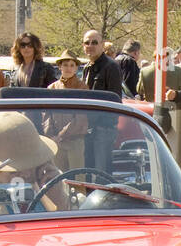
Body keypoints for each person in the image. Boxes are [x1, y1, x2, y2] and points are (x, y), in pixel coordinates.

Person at [81, 29, 124, 170]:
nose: (90, 45)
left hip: (103, 128)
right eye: (87, 43)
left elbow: (115, 99)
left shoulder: (111, 66)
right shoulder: (87, 68)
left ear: (102, 45)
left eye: (94, 42)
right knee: (87, 169)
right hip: (87, 128)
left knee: (102, 171)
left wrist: (100, 123)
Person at [138, 48, 181, 165]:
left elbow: (139, 89)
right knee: (170, 147)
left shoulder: (145, 71)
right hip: (173, 113)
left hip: (150, 110)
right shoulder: (177, 71)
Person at [43, 49, 88, 171]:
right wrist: (51, 135)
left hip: (75, 140)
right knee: (58, 177)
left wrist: (61, 135)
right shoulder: (52, 88)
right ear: (59, 67)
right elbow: (46, 115)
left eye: (72, 65)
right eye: (65, 65)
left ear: (76, 68)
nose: (68, 68)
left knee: (77, 178)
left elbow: (81, 117)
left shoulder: (82, 87)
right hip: (56, 141)